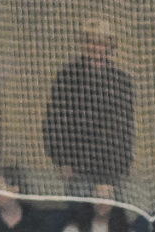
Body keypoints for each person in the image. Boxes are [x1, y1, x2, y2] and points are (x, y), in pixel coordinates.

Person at [42, 16, 134, 188]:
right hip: (77, 163)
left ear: (110, 45)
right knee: (80, 212)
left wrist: (124, 162)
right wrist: (61, 160)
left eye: (100, 42)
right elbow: (54, 121)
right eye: (90, 41)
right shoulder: (67, 77)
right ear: (82, 44)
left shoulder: (122, 80)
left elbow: (126, 125)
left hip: (111, 164)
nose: (95, 47)